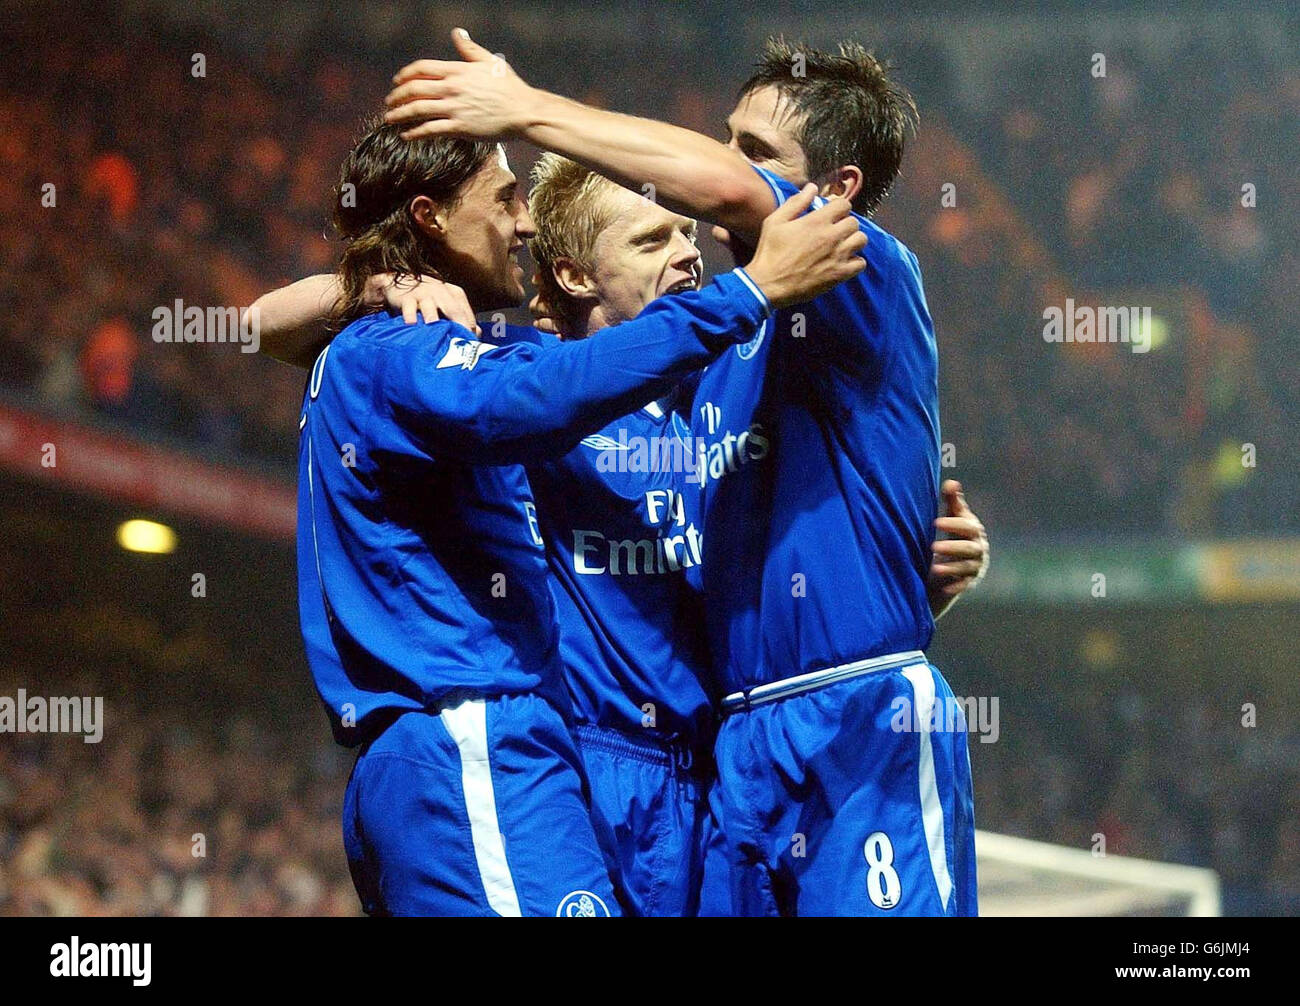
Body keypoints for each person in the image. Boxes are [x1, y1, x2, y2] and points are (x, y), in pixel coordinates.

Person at [384, 30, 980, 915]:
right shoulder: (718, 362)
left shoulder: (868, 269)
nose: (720, 173)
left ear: (837, 191)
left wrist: (526, 109)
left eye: (754, 151)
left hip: (854, 722)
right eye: (726, 140)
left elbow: (730, 192)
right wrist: (387, 283)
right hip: (735, 755)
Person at [290, 115, 866, 916]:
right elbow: (522, 399)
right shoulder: (429, 354)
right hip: (503, 744)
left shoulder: (703, 424)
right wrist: (752, 290)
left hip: (683, 782)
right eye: (504, 198)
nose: (519, 220)